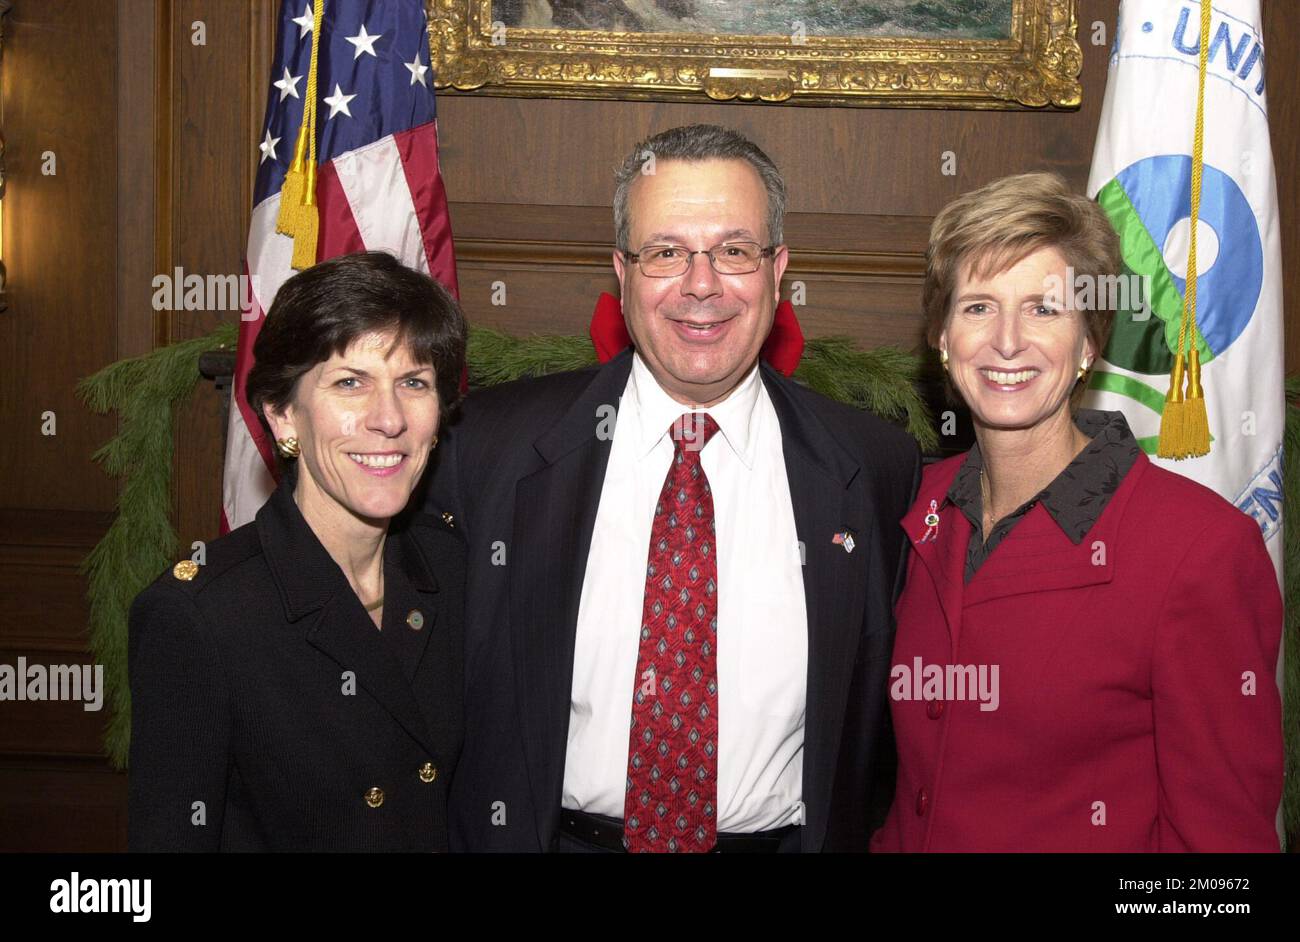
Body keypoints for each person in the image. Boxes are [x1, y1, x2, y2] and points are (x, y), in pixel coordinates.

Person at [426, 124, 919, 853]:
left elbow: (883, 737)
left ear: (778, 270)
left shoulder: (872, 466)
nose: (701, 284)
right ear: (622, 273)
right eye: (666, 252)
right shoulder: (488, 450)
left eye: (734, 250)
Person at [871, 172, 1283, 852]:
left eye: (1044, 309)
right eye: (977, 307)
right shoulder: (915, 507)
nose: (1007, 340)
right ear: (942, 337)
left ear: (1090, 343)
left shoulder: (1197, 549)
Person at [128, 251, 468, 851]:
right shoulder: (202, 616)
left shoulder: (452, 570)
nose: (388, 419)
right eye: (348, 383)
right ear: (284, 416)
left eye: (413, 383)